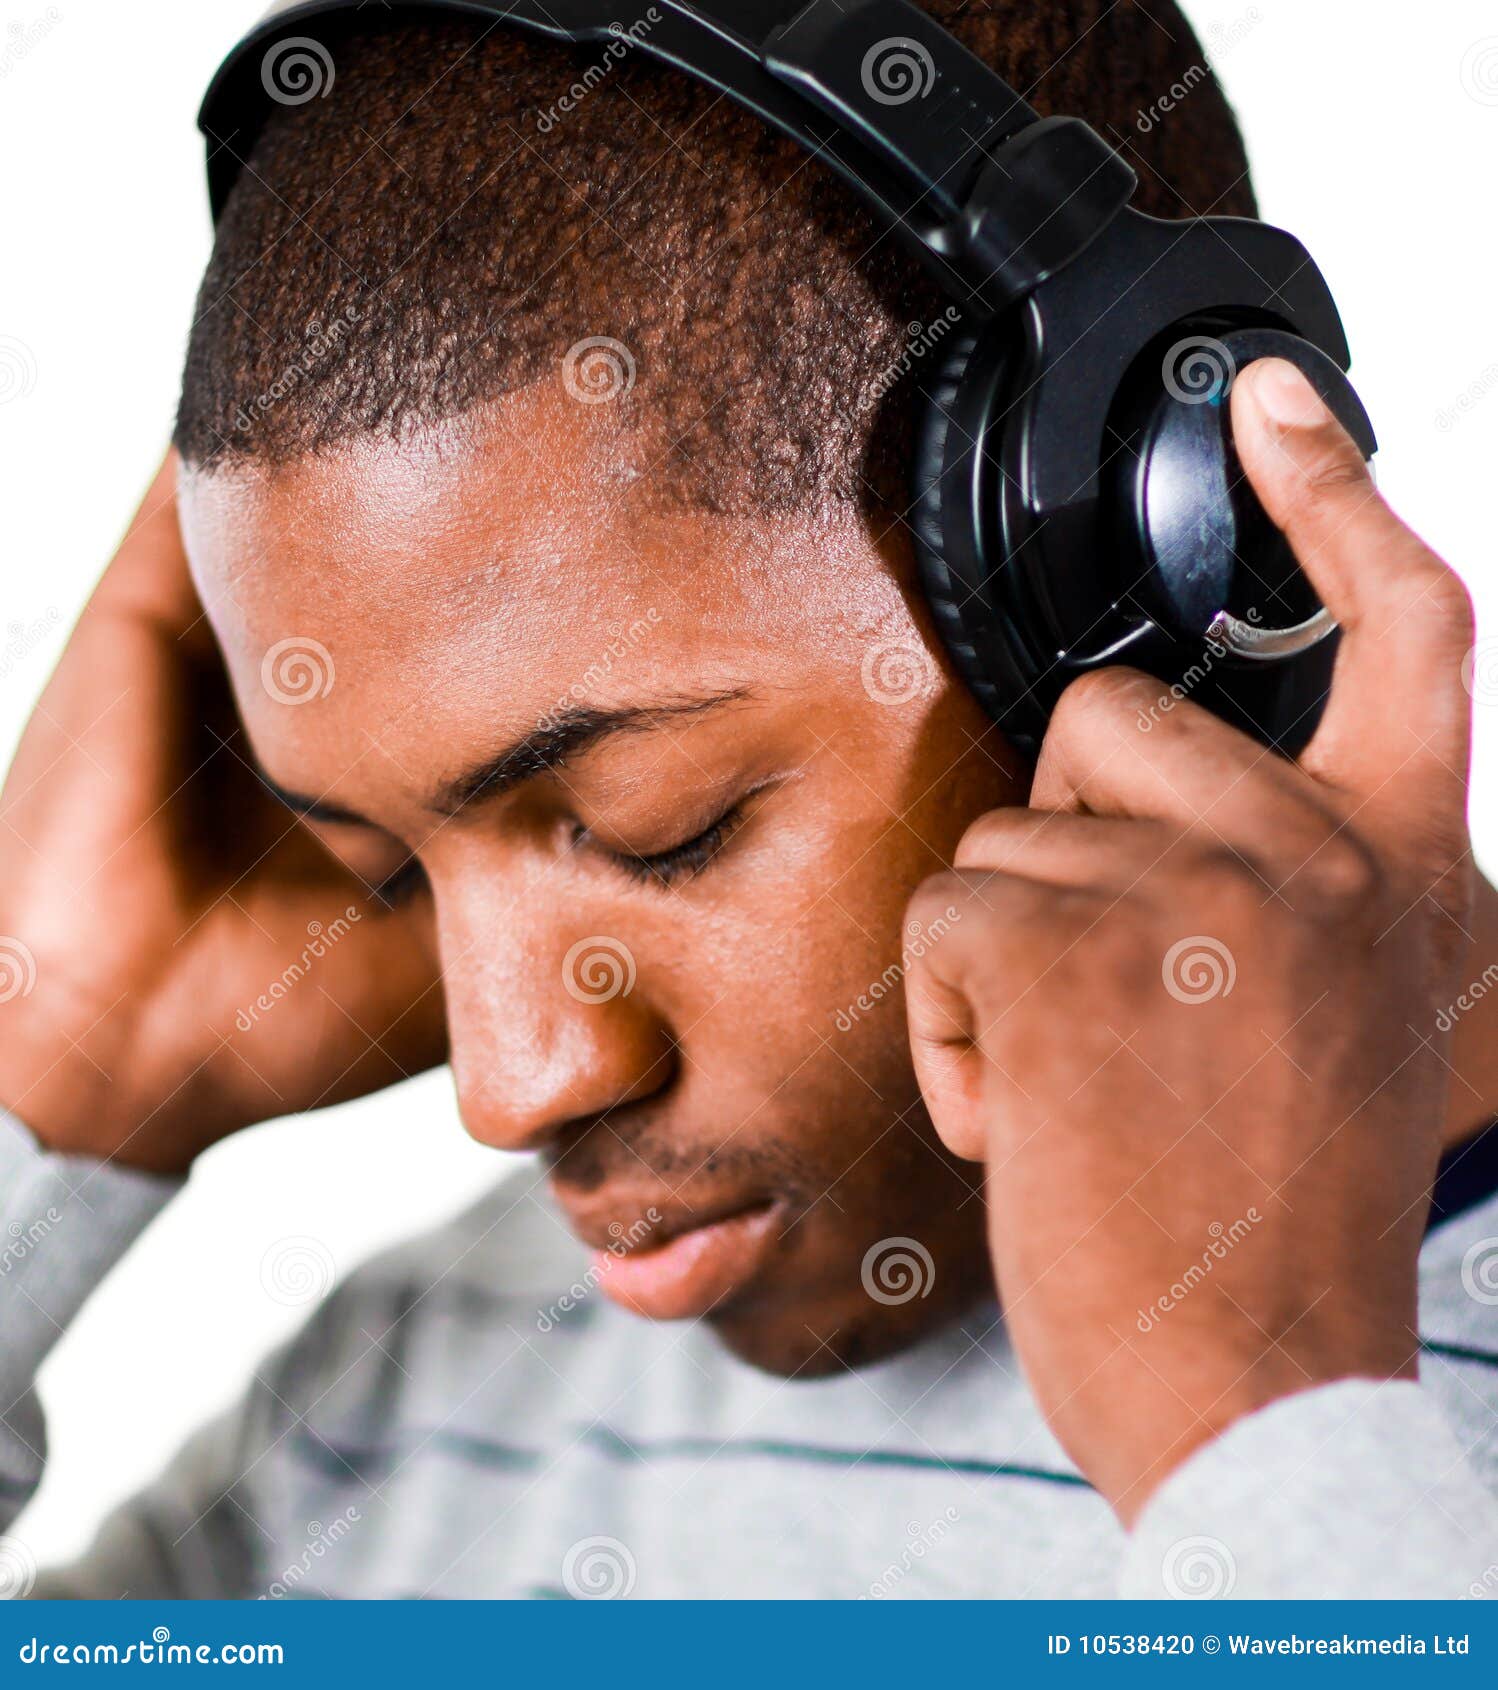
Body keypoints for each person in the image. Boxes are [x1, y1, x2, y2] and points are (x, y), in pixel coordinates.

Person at [2, 1, 1496, 1600]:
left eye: (659, 822)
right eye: (388, 868)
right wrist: (52, 1087)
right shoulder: (426, 1403)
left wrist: (1256, 1430)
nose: (510, 1086)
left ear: (1155, 557)